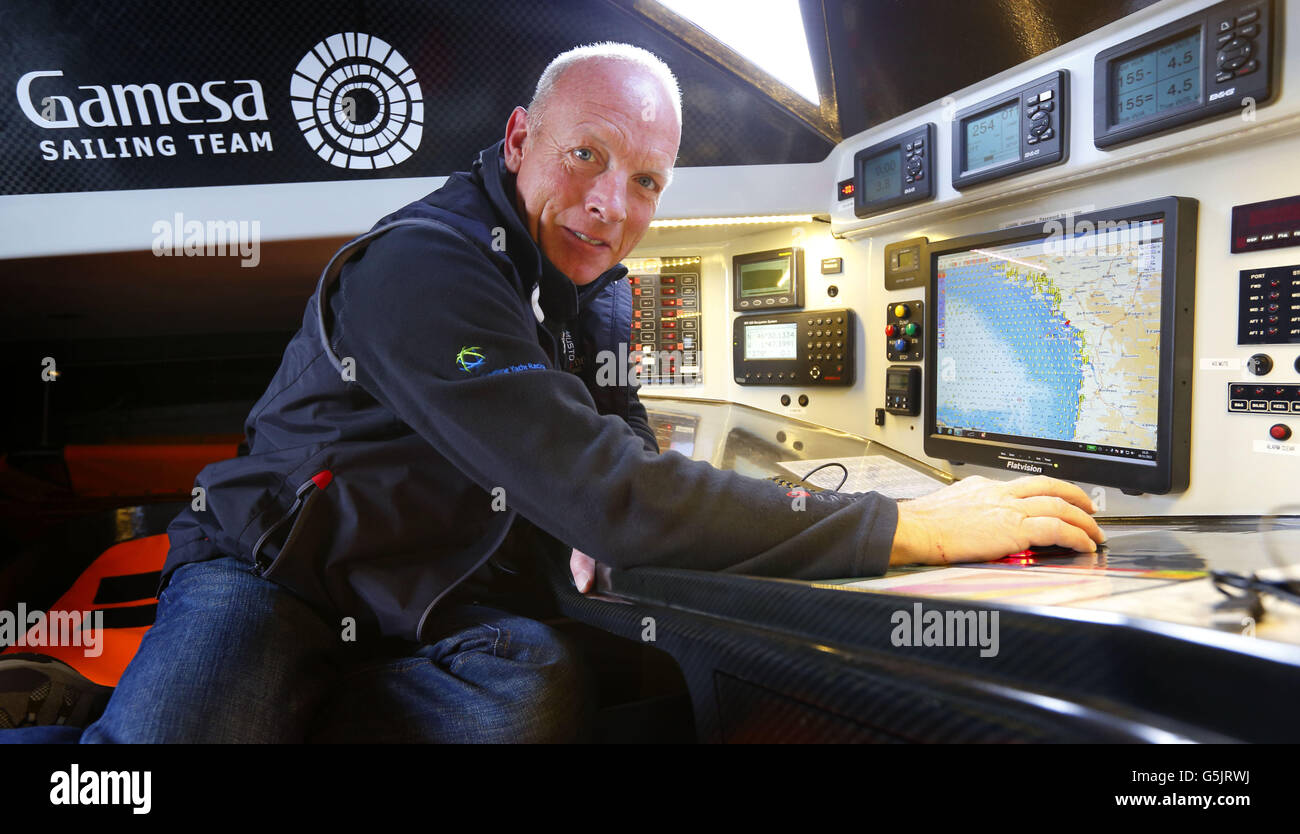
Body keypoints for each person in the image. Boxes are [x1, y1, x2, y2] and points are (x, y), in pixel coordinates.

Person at [6, 42, 1103, 743]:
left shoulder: (596, 287)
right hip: (279, 573)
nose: (610, 205)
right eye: (587, 156)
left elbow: (610, 439)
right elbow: (603, 484)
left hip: (437, 591)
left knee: (533, 692)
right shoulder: (423, 271)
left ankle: (269, 716)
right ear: (520, 139)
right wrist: (906, 525)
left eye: (644, 181)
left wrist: (595, 518)